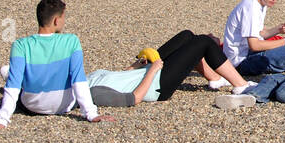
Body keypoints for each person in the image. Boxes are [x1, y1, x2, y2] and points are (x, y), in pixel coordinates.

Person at [0, 0, 114, 129]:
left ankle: (8, 72)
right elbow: (78, 80)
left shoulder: (20, 45)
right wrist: (91, 114)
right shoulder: (71, 41)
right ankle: (9, 72)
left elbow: (13, 85)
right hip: (65, 105)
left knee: (15, 77)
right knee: (74, 76)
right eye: (63, 18)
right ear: (56, 20)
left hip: (32, 106)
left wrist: (1, 120)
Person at [85, 30, 253, 106]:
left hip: (145, 72)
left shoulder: (88, 79)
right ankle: (240, 85)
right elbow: (134, 98)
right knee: (204, 42)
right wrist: (152, 70)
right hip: (156, 86)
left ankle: (215, 79)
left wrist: (135, 66)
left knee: (186, 36)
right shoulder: (92, 93)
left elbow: (119, 78)